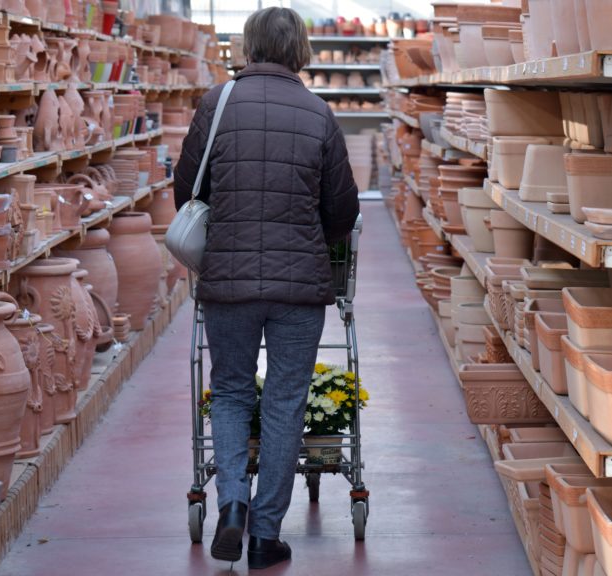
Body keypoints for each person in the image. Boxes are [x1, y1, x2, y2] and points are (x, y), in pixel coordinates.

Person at [173, 6, 361, 570]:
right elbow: (343, 209)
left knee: (229, 391)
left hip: (226, 282)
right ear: (300, 48)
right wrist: (307, 238)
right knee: (285, 400)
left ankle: (231, 503)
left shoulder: (216, 104)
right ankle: (265, 535)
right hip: (300, 287)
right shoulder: (318, 112)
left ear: (248, 46)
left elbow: (187, 187)